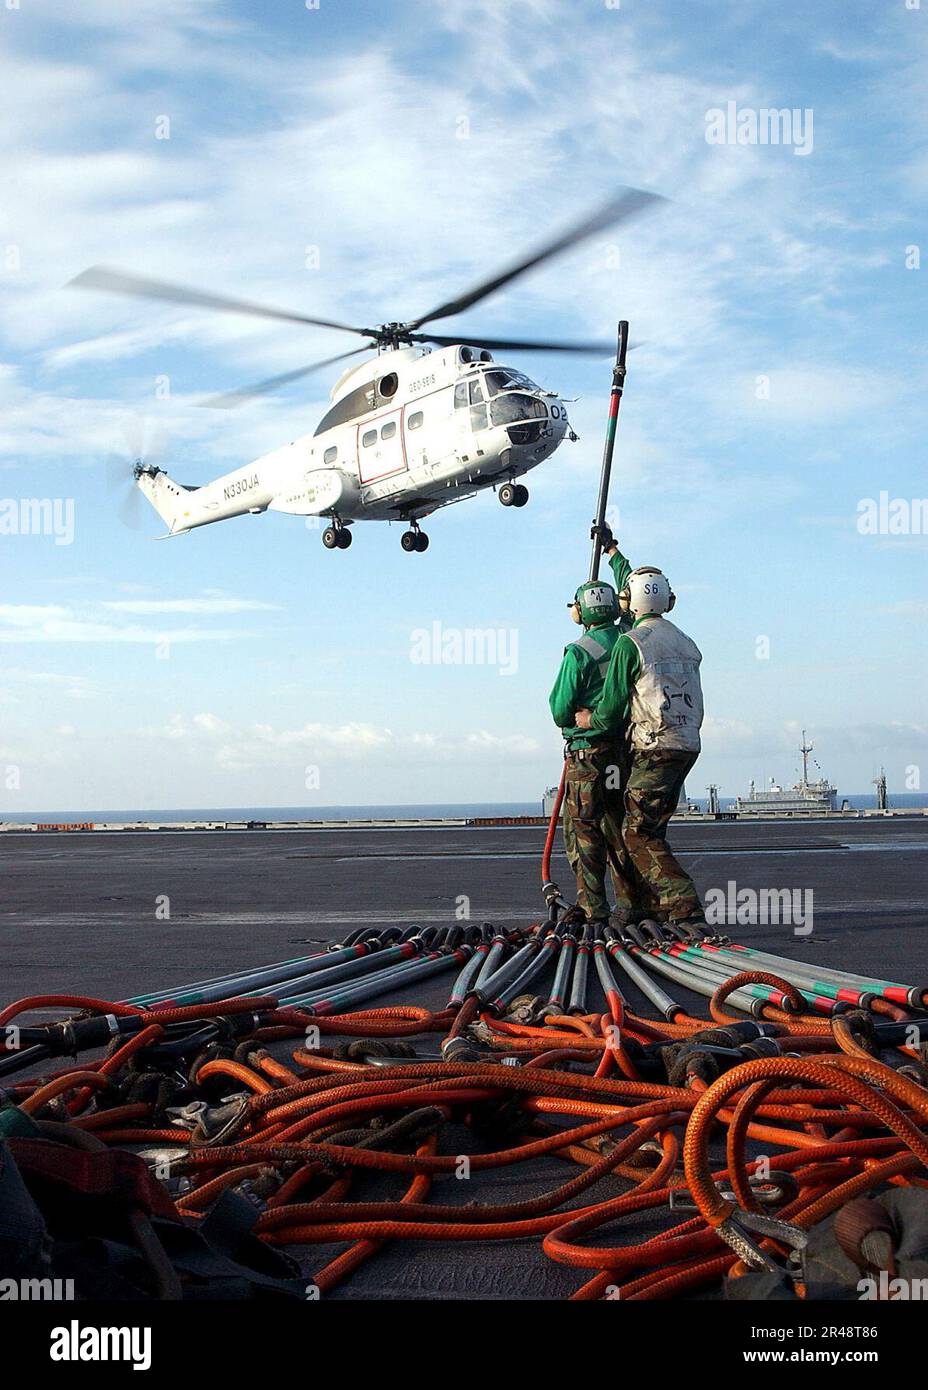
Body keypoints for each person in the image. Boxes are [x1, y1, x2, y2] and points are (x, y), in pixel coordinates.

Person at [575, 564, 705, 928]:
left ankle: (685, 907)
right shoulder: (686, 641)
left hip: (654, 745)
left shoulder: (631, 644)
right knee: (650, 827)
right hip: (687, 743)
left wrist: (588, 720)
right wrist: (616, 555)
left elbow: (613, 708)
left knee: (636, 832)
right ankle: (647, 907)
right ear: (669, 600)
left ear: (630, 601)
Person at [547, 526, 644, 926]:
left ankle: (593, 908)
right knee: (619, 827)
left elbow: (558, 709)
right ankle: (632, 905)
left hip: (586, 754)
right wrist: (613, 551)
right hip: (620, 751)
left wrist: (577, 717)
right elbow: (634, 589)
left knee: (584, 831)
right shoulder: (626, 636)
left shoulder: (578, 652)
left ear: (580, 612)